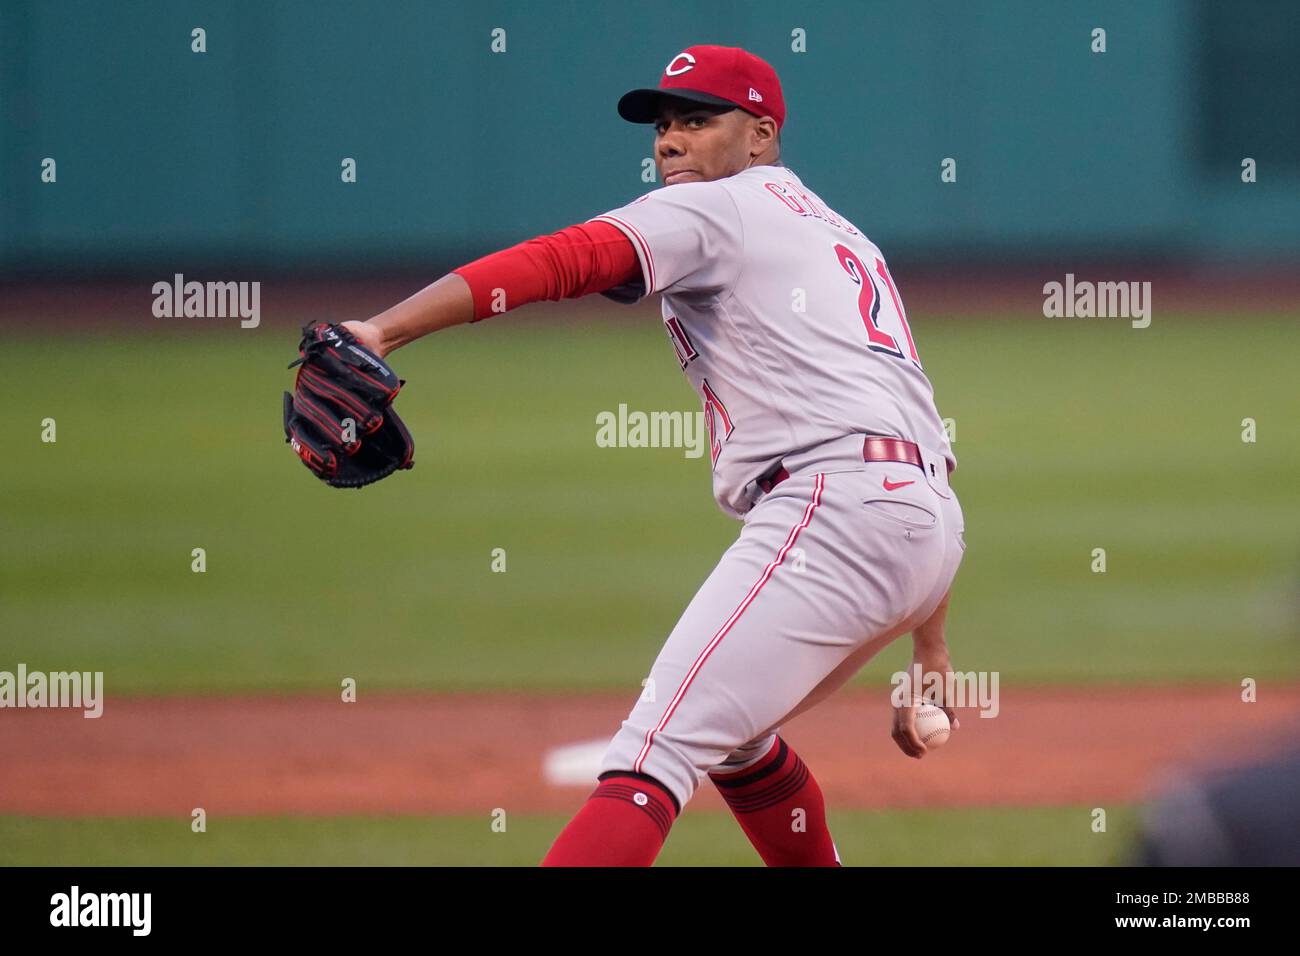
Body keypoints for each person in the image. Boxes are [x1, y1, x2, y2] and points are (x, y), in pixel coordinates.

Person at [342, 44, 966, 867]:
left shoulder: (721, 208)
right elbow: (914, 447)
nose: (670, 140)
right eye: (663, 124)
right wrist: (931, 642)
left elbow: (562, 261)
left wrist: (380, 331)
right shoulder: (843, 236)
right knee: (737, 740)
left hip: (835, 512)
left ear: (761, 135)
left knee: (651, 756)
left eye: (698, 120)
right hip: (922, 525)